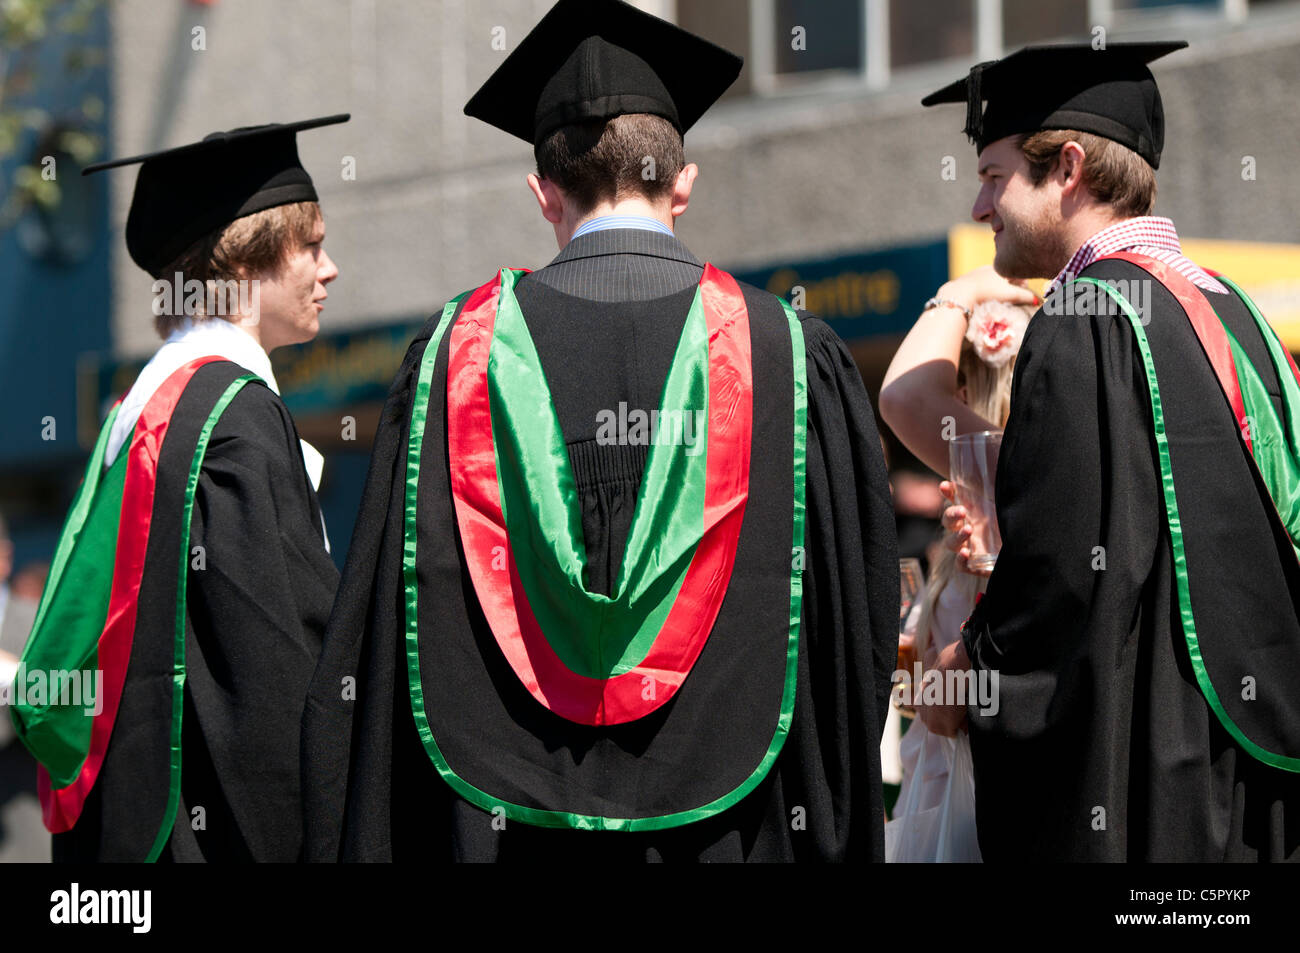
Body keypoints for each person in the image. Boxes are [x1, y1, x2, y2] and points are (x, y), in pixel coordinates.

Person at [302, 0, 899, 862]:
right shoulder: (792, 354)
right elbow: (860, 626)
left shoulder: (452, 359)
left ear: (543, 189)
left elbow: (383, 639)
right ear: (682, 182)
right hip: (739, 833)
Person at [920, 42, 1300, 861]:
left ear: (1067, 168)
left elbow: (1059, 578)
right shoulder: (1242, 317)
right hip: (1266, 775)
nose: (979, 206)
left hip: (1155, 785)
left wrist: (968, 668)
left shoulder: (1088, 319)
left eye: (992, 177)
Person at [10, 116, 346, 861]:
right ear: (248, 257)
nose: (330, 269)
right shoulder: (234, 419)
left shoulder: (149, 407)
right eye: (312, 244)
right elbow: (273, 668)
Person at [879, 277, 1032, 862]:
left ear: (968, 393)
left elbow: (903, 397)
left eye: (958, 389)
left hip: (964, 804)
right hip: (947, 792)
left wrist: (957, 292)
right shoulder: (976, 517)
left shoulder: (1000, 472)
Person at [0, 510, 47, 862]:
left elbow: (89, 697)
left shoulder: (41, 626)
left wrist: (13, 679)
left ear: (5, 557)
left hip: (20, 838)